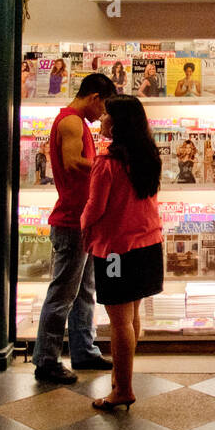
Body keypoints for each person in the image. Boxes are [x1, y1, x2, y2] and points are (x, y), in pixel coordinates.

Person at [31, 72, 118, 383]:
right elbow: (71, 162)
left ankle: (83, 350)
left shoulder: (77, 123)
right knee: (63, 293)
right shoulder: (70, 122)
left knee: (84, 292)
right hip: (71, 220)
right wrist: (109, 164)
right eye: (104, 107)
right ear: (94, 98)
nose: (103, 115)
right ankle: (45, 359)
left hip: (82, 220)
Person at [80, 94, 164, 411]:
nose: (101, 120)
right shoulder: (147, 157)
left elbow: (95, 208)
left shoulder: (107, 165)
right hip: (148, 245)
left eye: (105, 116)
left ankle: (123, 388)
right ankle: (121, 378)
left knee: (118, 322)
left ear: (117, 123)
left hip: (116, 250)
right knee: (132, 317)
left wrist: (83, 225)